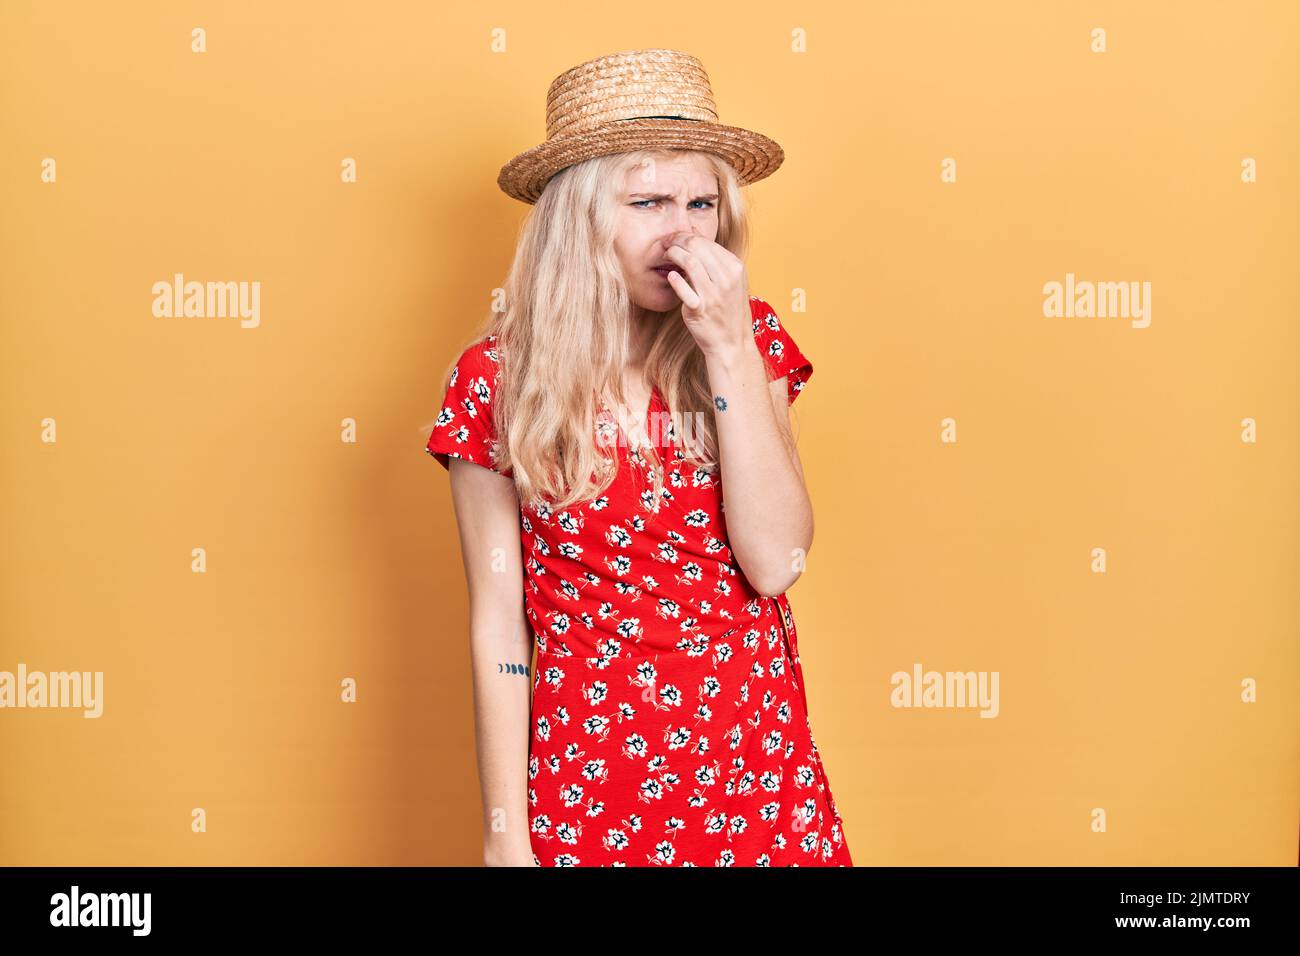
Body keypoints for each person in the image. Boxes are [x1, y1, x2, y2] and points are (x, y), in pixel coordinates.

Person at [426, 48, 852, 867]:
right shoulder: (493, 381)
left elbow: (775, 561)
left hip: (754, 775)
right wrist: (504, 834)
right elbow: (497, 622)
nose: (683, 229)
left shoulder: (748, 339)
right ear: (579, 218)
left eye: (701, 202)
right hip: (590, 785)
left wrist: (727, 353)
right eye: (648, 200)